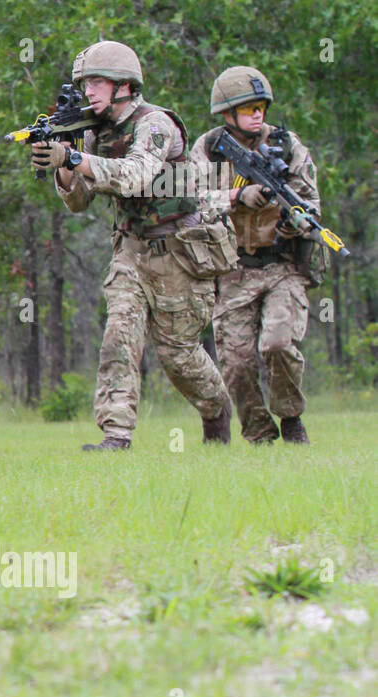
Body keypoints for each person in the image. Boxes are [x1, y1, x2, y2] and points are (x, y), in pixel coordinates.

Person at [32, 40, 232, 450]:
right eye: (85, 83)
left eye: (97, 81)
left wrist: (72, 160)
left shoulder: (155, 124)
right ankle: (116, 435)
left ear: (124, 84)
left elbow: (135, 176)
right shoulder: (95, 132)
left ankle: (217, 409)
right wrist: (64, 167)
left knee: (179, 357)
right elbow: (79, 200)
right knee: (118, 335)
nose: (89, 91)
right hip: (131, 249)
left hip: (180, 252)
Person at [187, 67, 320, 444]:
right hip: (232, 270)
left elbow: (310, 203)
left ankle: (291, 419)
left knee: (278, 344)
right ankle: (260, 437)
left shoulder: (287, 145)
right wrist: (235, 197)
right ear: (227, 113)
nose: (257, 113)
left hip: (281, 266)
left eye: (261, 106)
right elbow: (188, 200)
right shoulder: (210, 149)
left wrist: (296, 222)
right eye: (247, 107)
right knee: (237, 364)